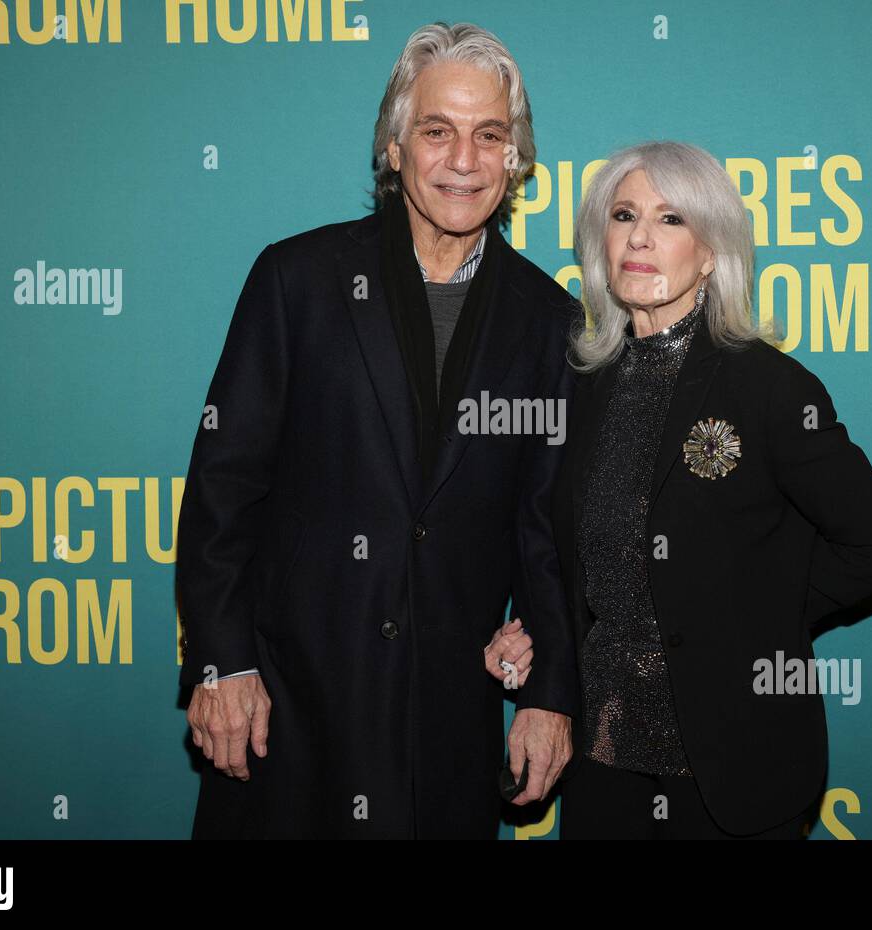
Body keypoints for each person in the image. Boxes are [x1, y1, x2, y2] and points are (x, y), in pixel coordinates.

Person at [176, 22, 580, 839]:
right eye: (437, 131)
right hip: (288, 707)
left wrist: (547, 695)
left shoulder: (550, 322)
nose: (463, 159)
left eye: (488, 135)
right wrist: (224, 661)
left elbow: (544, 533)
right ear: (394, 150)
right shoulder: (297, 281)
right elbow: (225, 489)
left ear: (514, 158)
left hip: (445, 727)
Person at [494, 140, 872, 838]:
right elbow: (573, 557)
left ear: (713, 250)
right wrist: (537, 631)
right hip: (604, 767)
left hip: (734, 769)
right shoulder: (578, 387)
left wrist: (756, 615)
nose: (639, 236)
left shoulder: (769, 388)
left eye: (671, 220)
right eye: (624, 215)